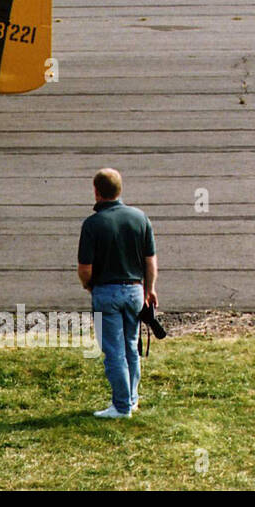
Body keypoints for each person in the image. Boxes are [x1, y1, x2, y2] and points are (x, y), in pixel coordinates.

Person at [77, 169, 158, 419]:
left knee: (113, 351)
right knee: (130, 347)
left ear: (96, 191)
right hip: (135, 292)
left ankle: (121, 407)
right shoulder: (140, 218)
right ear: (120, 189)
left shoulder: (92, 224)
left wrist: (89, 285)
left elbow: (84, 269)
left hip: (106, 293)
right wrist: (149, 289)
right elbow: (150, 260)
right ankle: (132, 400)